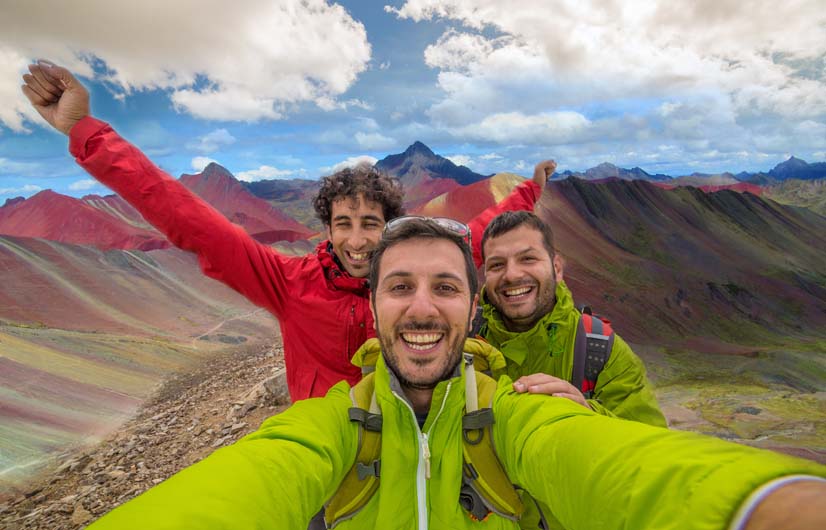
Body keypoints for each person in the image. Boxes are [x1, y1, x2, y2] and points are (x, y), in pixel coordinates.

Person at [80, 218, 826, 529]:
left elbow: (615, 463)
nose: (422, 307)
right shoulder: (333, 422)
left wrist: (755, 503)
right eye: (399, 286)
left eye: (446, 286)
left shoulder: (521, 410)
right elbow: (259, 476)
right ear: (371, 310)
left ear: (473, 310)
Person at [21, 60, 553, 401]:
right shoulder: (288, 282)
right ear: (327, 228)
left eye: (371, 224)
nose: (358, 240)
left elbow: (479, 232)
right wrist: (85, 132)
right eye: (343, 224)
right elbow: (189, 219)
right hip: (326, 455)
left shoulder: (411, 278)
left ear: (389, 228)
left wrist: (529, 190)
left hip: (416, 442)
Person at [479, 211, 667, 425]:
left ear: (556, 268)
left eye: (528, 259)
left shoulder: (601, 350)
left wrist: (590, 418)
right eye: (496, 265)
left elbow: (650, 440)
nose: (511, 275)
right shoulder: (464, 342)